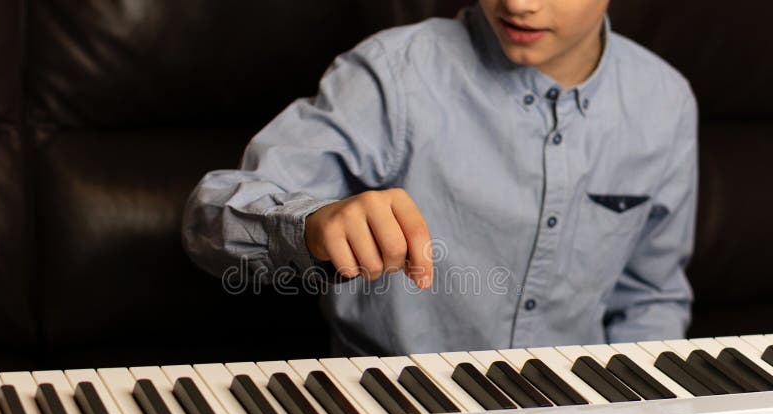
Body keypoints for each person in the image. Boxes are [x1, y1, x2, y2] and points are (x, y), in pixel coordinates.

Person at [182, 0, 698, 356]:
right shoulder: (395, 73)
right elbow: (210, 215)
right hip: (392, 411)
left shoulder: (665, 102)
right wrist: (311, 225)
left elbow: (651, 299)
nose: (518, 4)